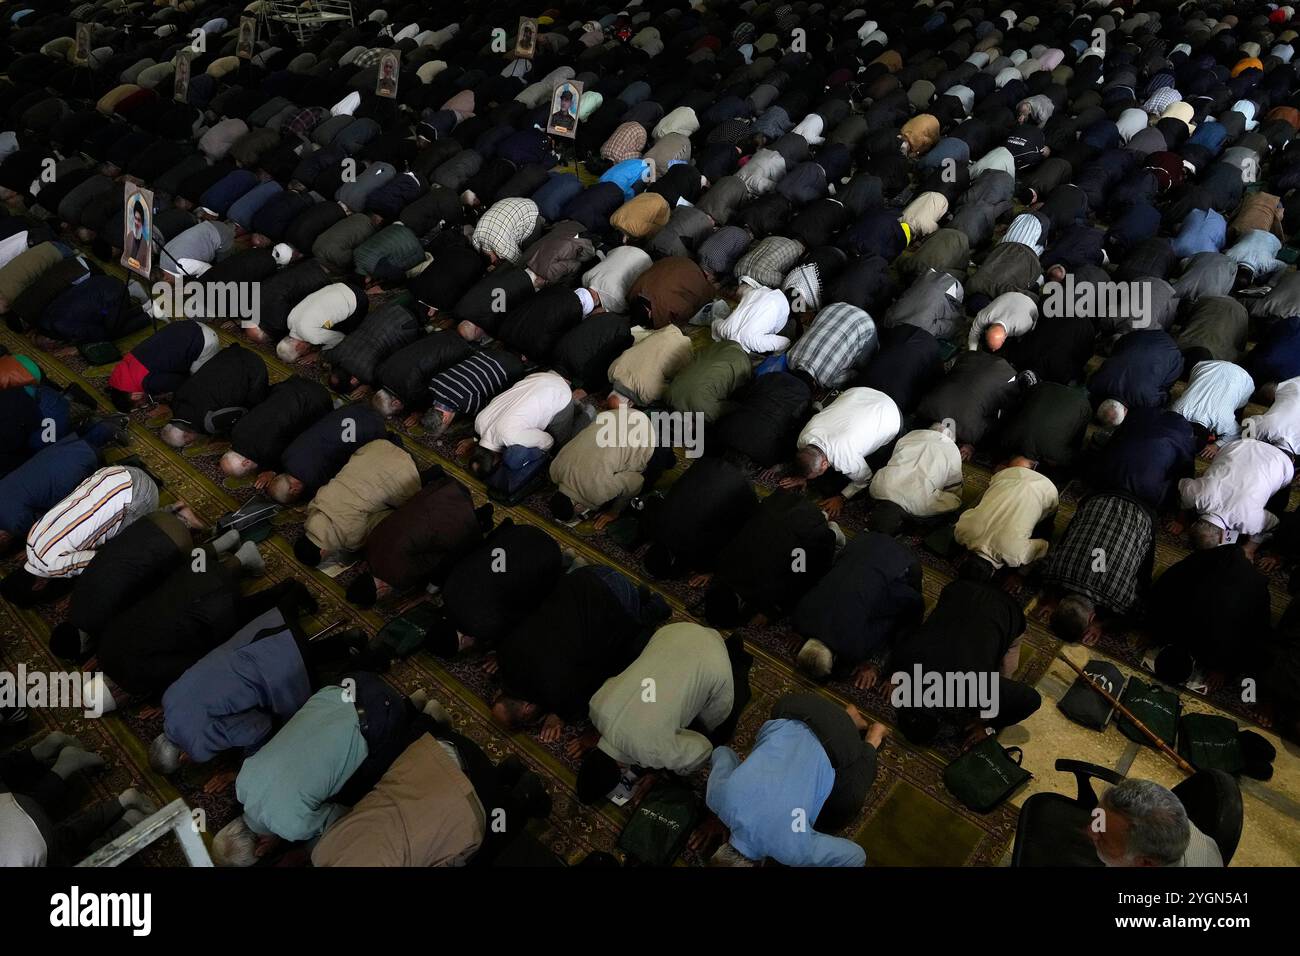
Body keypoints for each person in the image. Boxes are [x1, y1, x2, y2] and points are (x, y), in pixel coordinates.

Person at [212, 673, 417, 864]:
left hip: (379, 709)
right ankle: (414, 705)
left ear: (261, 850)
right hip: (348, 682)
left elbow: (344, 817)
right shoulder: (242, 784)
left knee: (365, 789)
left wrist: (311, 848)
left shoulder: (292, 828)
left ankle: (425, 722)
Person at [702, 693, 886, 867]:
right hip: (796, 705)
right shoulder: (717, 799)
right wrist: (721, 810)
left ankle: (873, 739)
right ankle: (846, 716)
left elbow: (856, 856)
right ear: (722, 846)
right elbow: (722, 752)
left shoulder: (792, 851)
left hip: (840, 738)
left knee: (848, 800)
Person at [571, 622, 746, 803]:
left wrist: (665, 770)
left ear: (622, 770)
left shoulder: (652, 753)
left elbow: (703, 750)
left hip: (715, 660)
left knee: (714, 729)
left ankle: (736, 659)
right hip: (674, 631)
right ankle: (726, 645)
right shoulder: (596, 708)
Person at [491, 565, 659, 742]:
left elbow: (596, 688)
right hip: (587, 573)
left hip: (617, 595)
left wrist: (560, 714)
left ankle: (651, 609)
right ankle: (639, 599)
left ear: (527, 708)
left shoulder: (560, 695)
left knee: (622, 646)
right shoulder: (505, 654)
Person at [888, 579, 1041, 746]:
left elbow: (1031, 699)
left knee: (1006, 674)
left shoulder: (978, 688)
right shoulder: (906, 659)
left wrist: (989, 727)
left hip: (1007, 610)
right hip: (960, 589)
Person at [1, 733, 157, 866]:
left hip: (31, 845)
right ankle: (122, 802)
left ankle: (125, 826)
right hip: (15, 804)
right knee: (55, 839)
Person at [792, 533, 924, 687]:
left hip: (901, 562)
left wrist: (876, 664)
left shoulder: (853, 647)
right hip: (861, 541)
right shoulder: (799, 619)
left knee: (908, 613)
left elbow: (887, 627)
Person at [702, 491, 839, 629]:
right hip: (783, 502)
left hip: (811, 529)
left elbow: (801, 582)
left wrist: (772, 612)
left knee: (808, 565)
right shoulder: (723, 563)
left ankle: (833, 531)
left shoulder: (767, 585)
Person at [1038, 492, 1157, 644]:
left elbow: (1138, 612)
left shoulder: (1119, 600)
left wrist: (1100, 626)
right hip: (1097, 499)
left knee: (1143, 577)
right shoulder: (1053, 572)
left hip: (1143, 514)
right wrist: (1051, 600)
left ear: (1092, 618)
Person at [295, 438, 422, 567]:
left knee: (408, 507)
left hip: (404, 467)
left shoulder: (351, 538)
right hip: (375, 447)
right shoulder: (314, 505)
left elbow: (385, 519)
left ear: (322, 552)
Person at [779, 386, 901, 516]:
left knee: (836, 483)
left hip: (891, 413)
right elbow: (805, 460)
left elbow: (865, 479)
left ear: (824, 464)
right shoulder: (804, 437)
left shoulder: (846, 459)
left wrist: (842, 498)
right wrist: (802, 476)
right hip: (859, 392)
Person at [547, 406, 674, 527]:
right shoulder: (554, 470)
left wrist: (615, 511)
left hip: (643, 431)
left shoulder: (598, 493)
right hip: (615, 415)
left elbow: (636, 482)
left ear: (578, 507)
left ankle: (665, 449)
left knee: (647, 482)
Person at [1177, 436, 1295, 547]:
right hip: (1240, 445)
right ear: (1194, 524)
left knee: (1276, 508)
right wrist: (1181, 518)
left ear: (1224, 536)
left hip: (1281, 460)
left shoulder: (1249, 523)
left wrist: (1250, 547)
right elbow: (1183, 484)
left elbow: (1274, 523)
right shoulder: (1194, 495)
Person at [954, 459, 1060, 576]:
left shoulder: (1016, 556)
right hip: (1009, 475)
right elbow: (968, 513)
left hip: (1048, 489)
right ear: (964, 559)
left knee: (1045, 529)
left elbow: (1043, 546)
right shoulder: (960, 532)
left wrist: (1021, 573)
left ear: (992, 573)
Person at [1090, 778, 1223, 867]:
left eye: (1102, 838)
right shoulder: (1170, 820)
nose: (1090, 830)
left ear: (1145, 863)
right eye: (1097, 819)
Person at [219, 377, 333, 480]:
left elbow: (292, 455)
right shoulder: (235, 431)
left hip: (318, 399)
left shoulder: (268, 453)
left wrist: (273, 472)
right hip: (293, 383)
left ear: (246, 462)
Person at [106, 319, 220, 411]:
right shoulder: (125, 367)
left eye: (140, 405)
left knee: (198, 385)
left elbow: (183, 384)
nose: (144, 405)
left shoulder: (150, 382)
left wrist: (167, 400)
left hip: (204, 340)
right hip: (187, 325)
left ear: (135, 396)